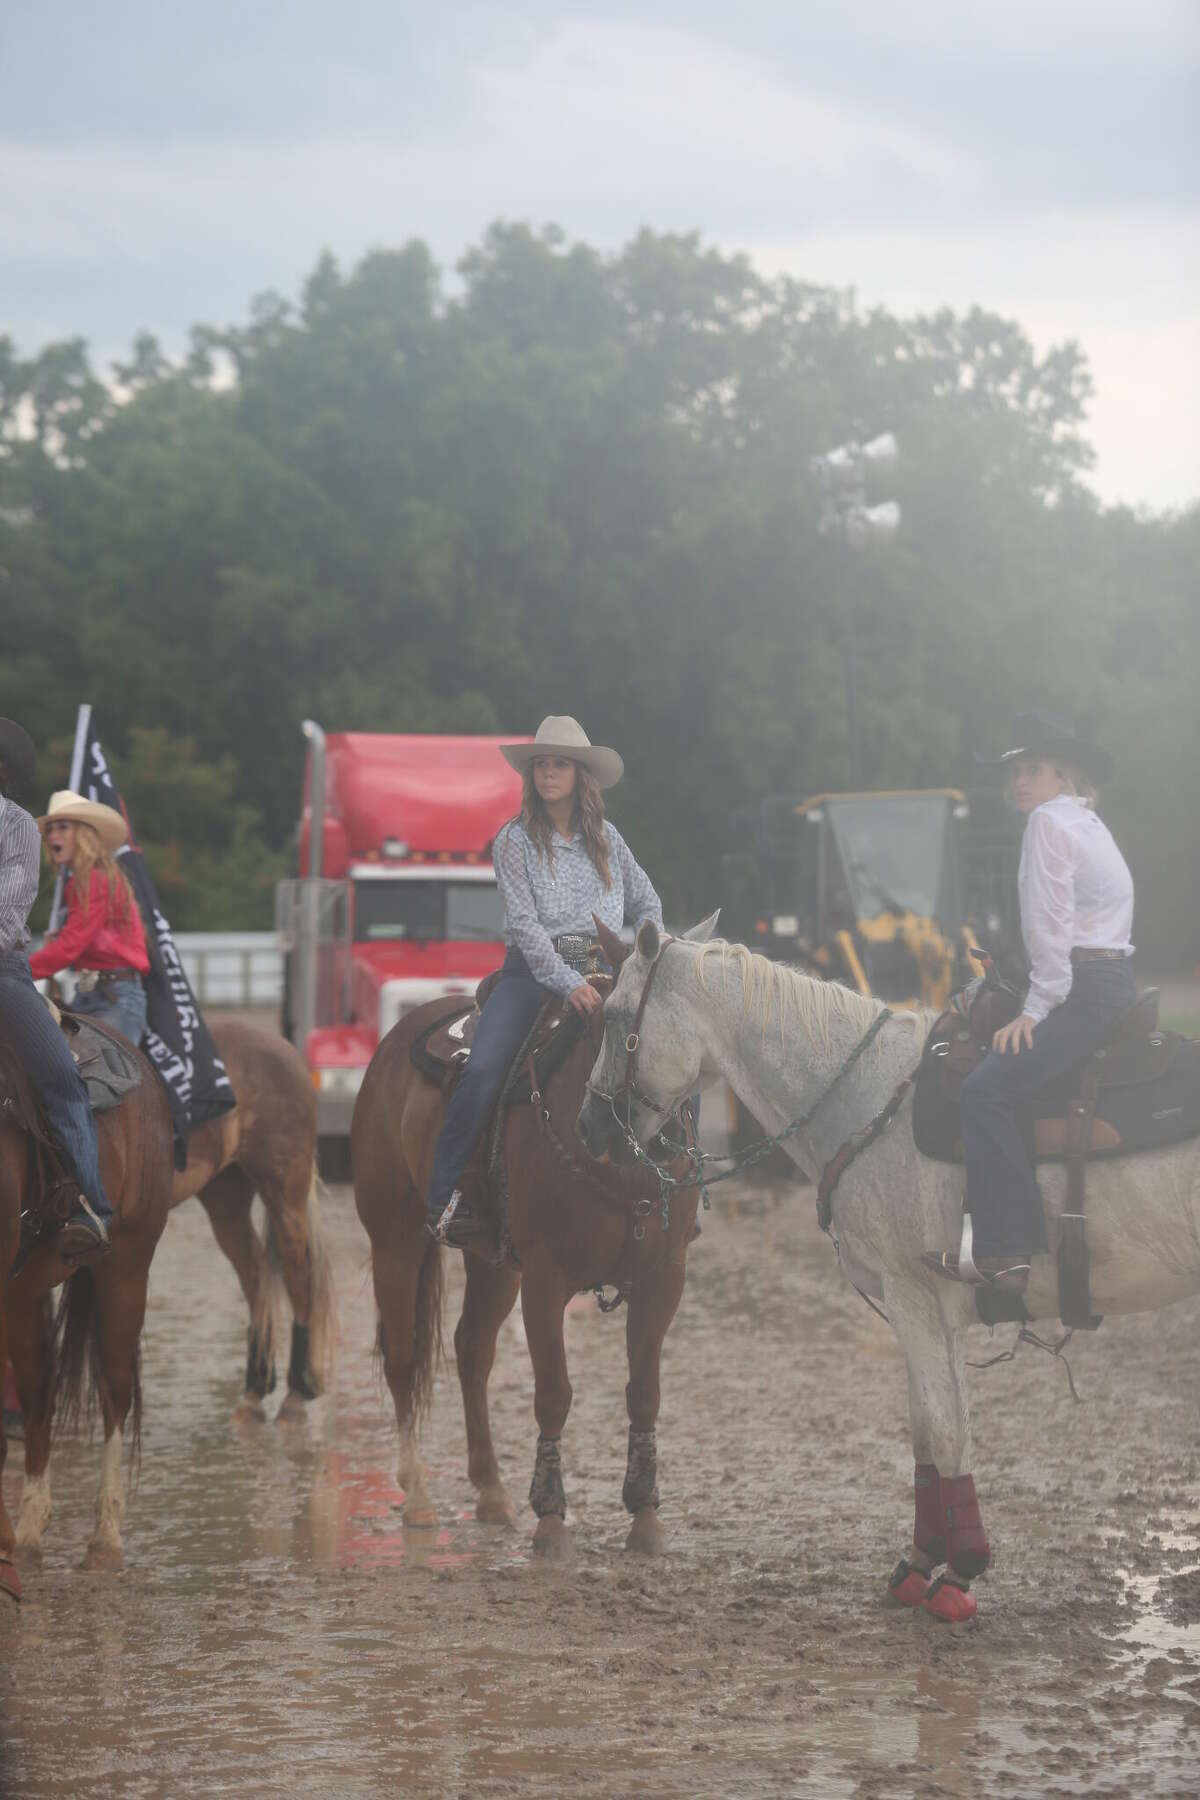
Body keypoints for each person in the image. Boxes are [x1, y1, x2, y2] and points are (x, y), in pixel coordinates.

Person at [426, 715, 664, 1246]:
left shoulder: (608, 839)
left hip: (606, 967)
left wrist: (647, 958)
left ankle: (673, 1184)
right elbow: (525, 928)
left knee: (668, 1052)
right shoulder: (513, 841)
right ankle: (447, 1196)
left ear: (581, 775)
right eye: (542, 765)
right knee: (485, 1068)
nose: (549, 774)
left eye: (560, 765)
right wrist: (566, 982)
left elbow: (649, 902)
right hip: (533, 972)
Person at [931, 711, 1135, 1293]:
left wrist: (1035, 1009)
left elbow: (1049, 926)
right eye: (1016, 771)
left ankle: (1007, 1254)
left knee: (984, 1090)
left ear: (1063, 775)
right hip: (1112, 979)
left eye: (1035, 769)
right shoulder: (1089, 822)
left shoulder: (1048, 822)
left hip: (1080, 987)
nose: (1021, 781)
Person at [0, 723, 115, 1262]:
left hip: (2, 974)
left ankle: (87, 1205)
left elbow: (8, 914)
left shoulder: (16, 824)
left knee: (63, 1080)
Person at [29, 789, 150, 1043]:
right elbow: (74, 943)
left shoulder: (94, 879)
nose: (52, 836)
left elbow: (70, 946)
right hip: (91, 993)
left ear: (83, 834)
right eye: (50, 830)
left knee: (95, 1078)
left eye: (62, 827)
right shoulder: (81, 882)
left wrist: (21, 971)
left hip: (115, 997)